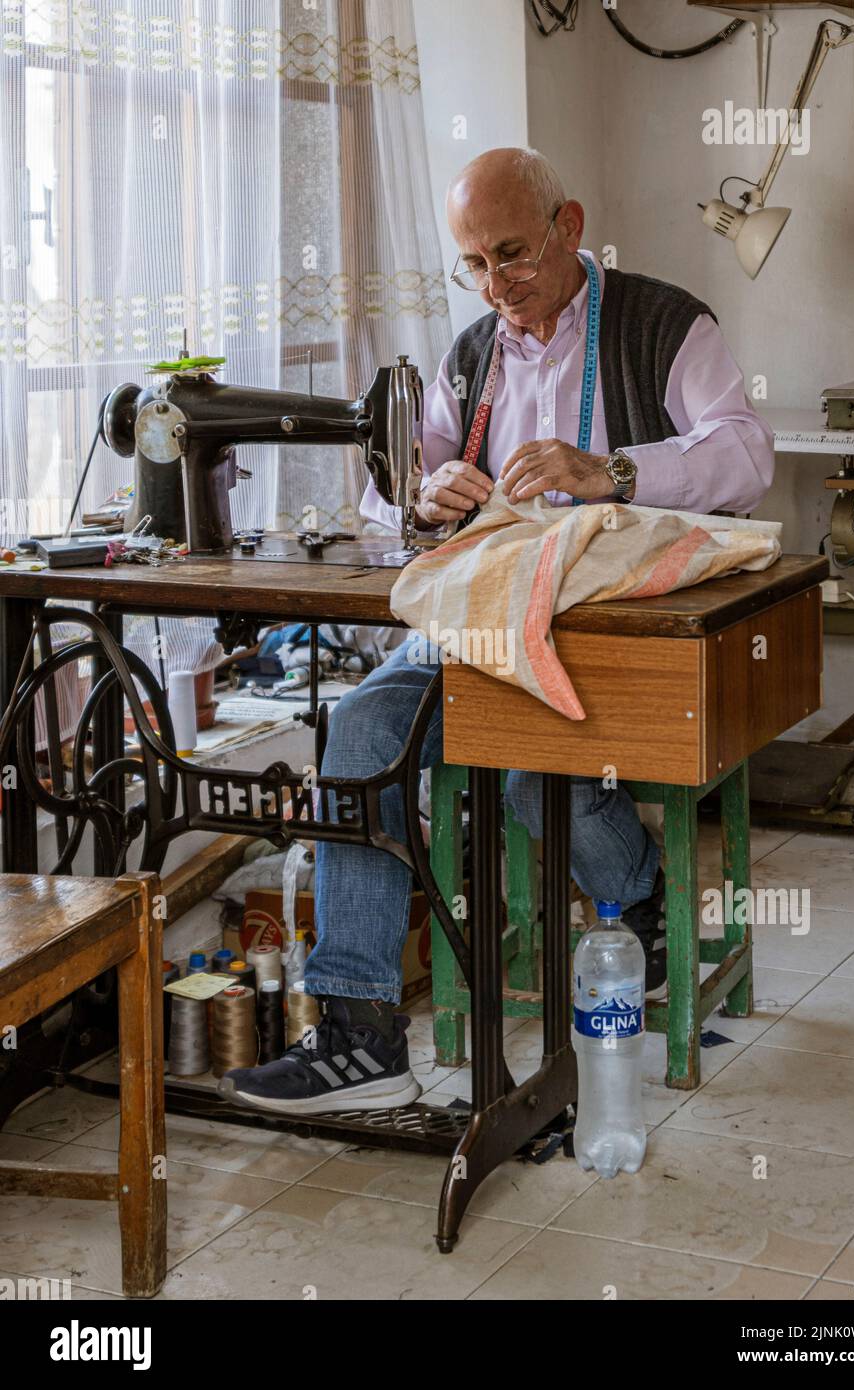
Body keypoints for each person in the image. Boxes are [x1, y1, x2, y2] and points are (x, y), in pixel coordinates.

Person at [221, 147, 774, 1114]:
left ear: (570, 224)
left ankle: (633, 891)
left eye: (511, 254)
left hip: (612, 625)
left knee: (531, 775)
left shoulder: (663, 322)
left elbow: (745, 453)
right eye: (472, 265)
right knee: (360, 728)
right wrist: (426, 494)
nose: (494, 284)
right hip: (486, 616)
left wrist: (617, 472)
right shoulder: (470, 354)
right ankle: (360, 1034)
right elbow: (387, 491)